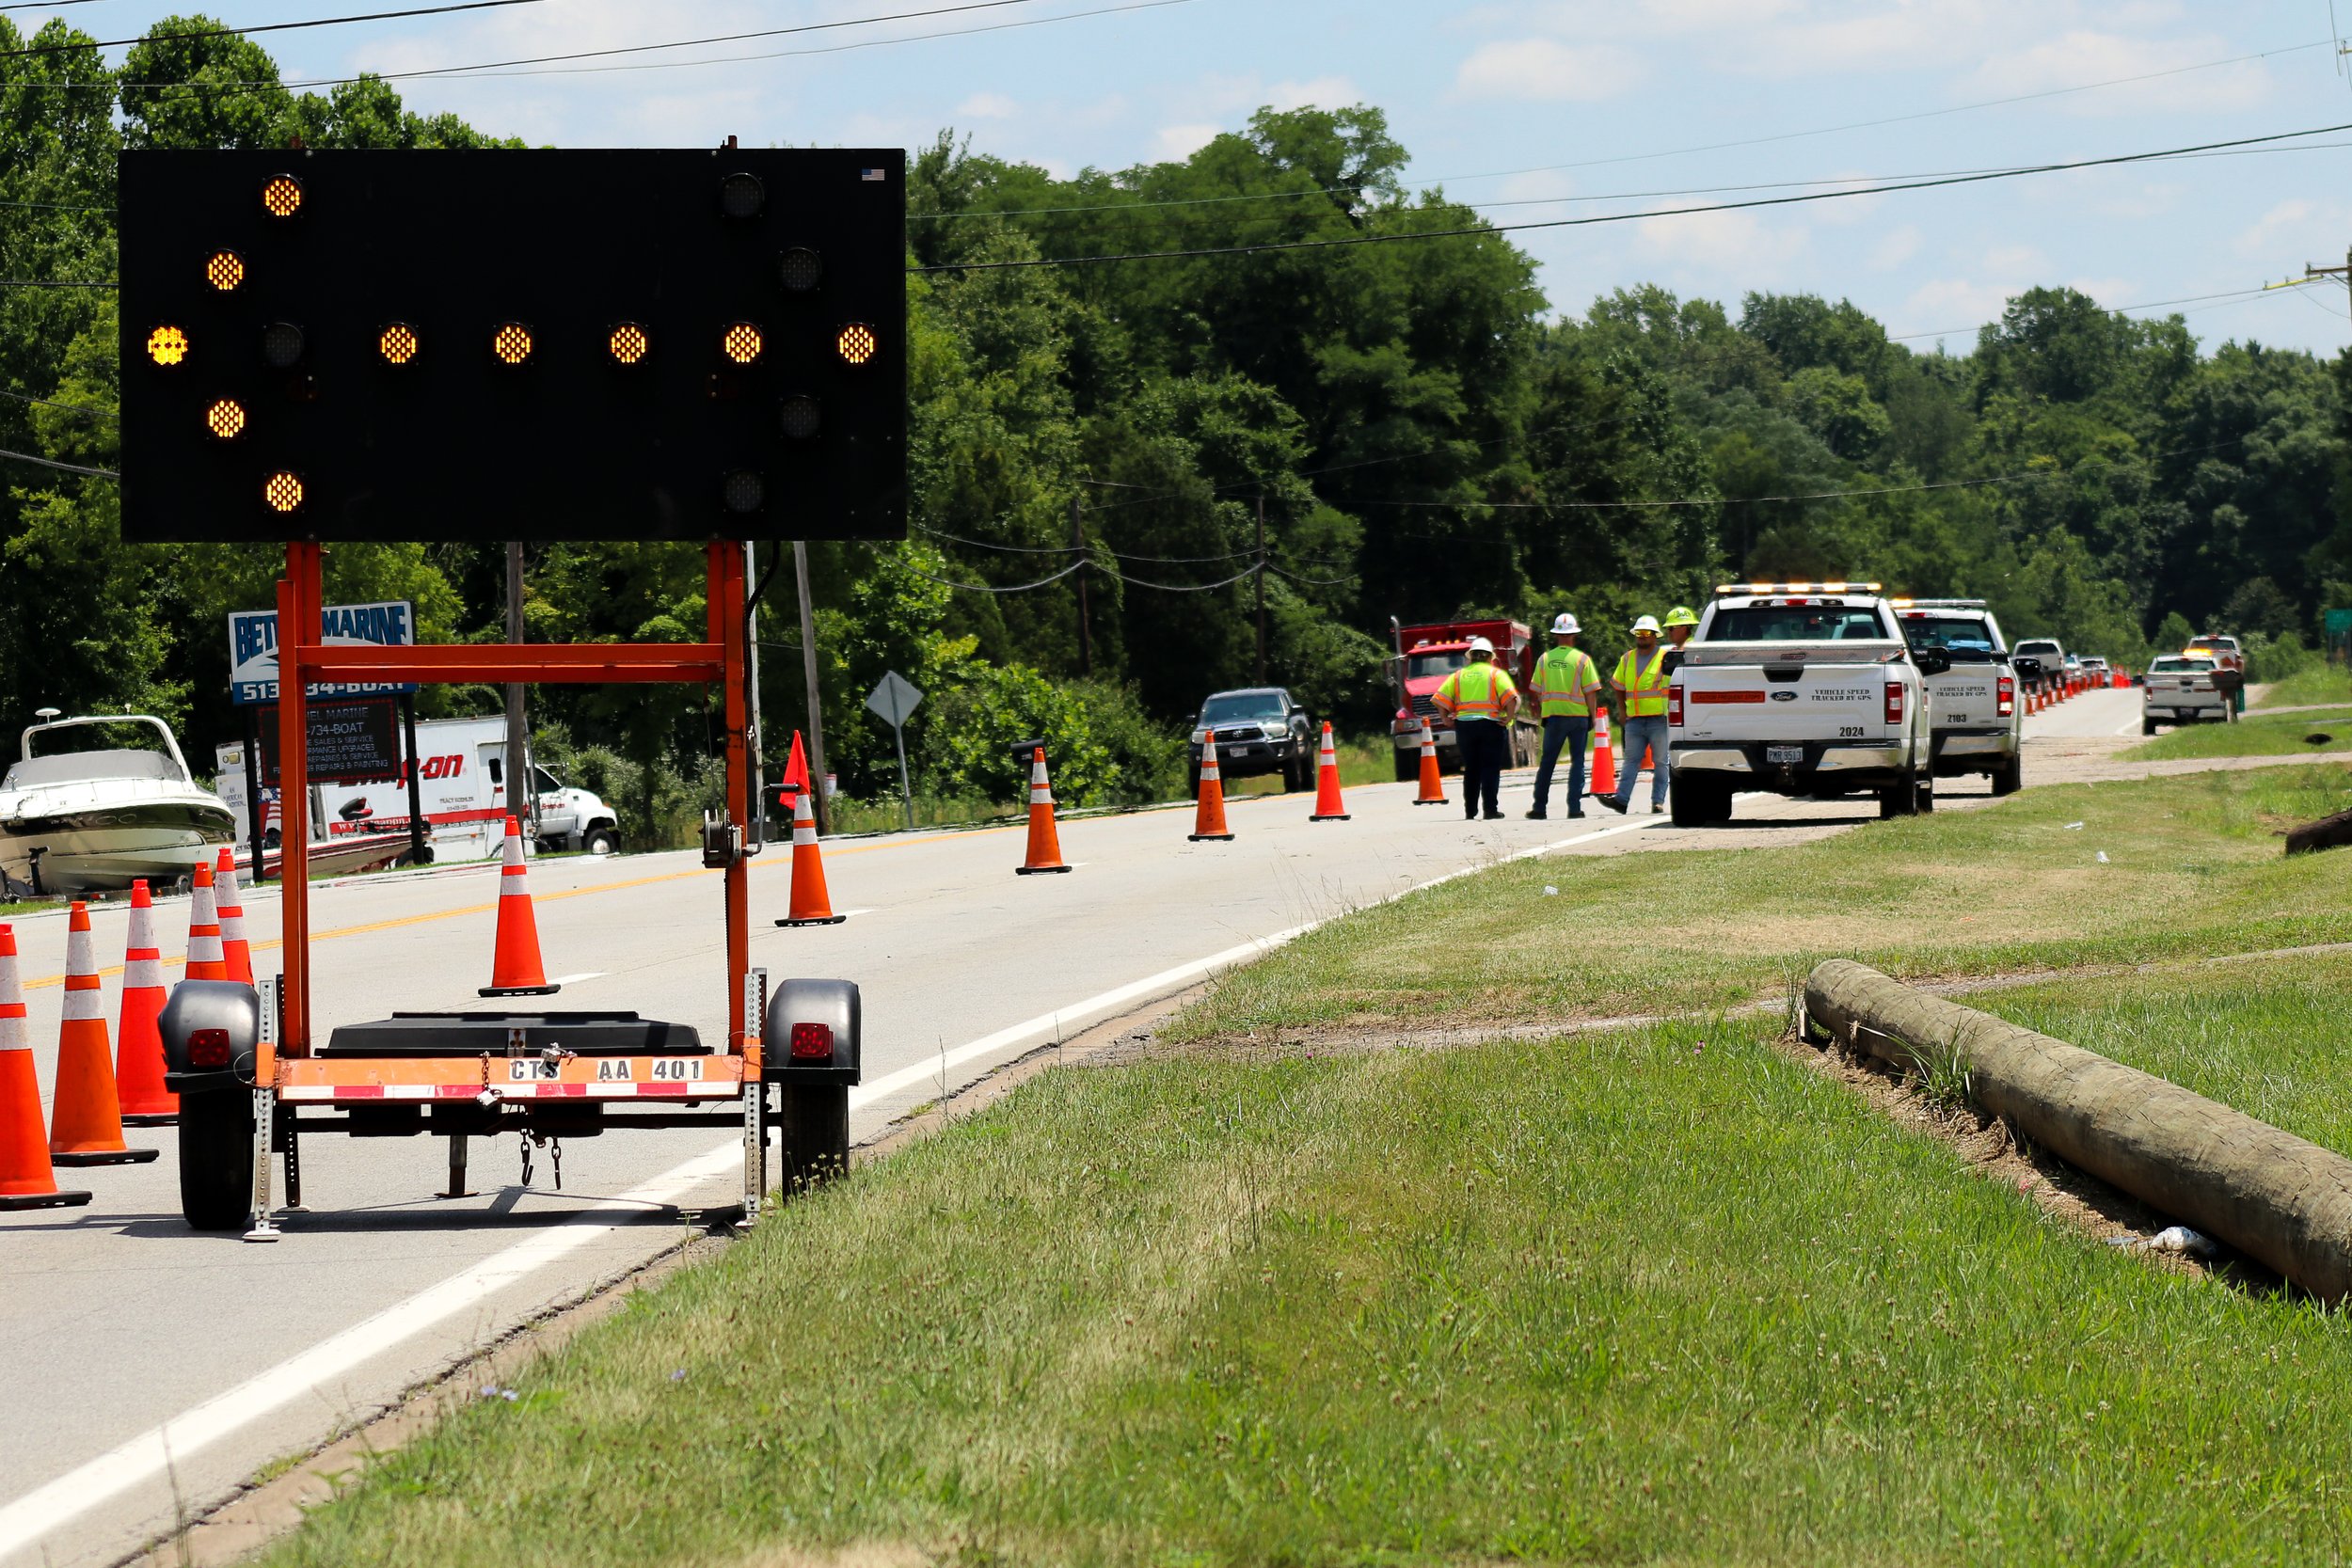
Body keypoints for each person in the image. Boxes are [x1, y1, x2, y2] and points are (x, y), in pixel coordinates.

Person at [1432, 635, 1519, 821]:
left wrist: (1445, 718)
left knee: (1471, 768)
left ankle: (1470, 811)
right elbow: (1511, 699)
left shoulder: (1458, 676)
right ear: (1490, 657)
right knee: (1490, 768)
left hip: (1465, 727)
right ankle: (1490, 810)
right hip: (1490, 725)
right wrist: (1509, 718)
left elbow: (1439, 699)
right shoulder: (1496, 674)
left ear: (1470, 657)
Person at [1524, 611, 1601, 819]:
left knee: (1547, 763)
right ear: (1574, 635)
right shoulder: (1583, 660)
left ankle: (1539, 808)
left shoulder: (1545, 659)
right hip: (1578, 718)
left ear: (1556, 635)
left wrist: (1543, 709)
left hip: (1554, 718)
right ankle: (1574, 808)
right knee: (1578, 762)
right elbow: (1591, 691)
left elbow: (1536, 690)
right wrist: (1592, 717)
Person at [1597, 614, 1672, 815]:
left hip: (1659, 718)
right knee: (1631, 762)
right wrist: (1622, 711)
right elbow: (1618, 686)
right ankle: (1621, 801)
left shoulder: (1664, 658)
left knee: (1661, 762)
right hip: (1635, 720)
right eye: (1639, 633)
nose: (1642, 637)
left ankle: (1658, 802)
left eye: (1646, 633)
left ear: (1655, 636)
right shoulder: (1627, 658)